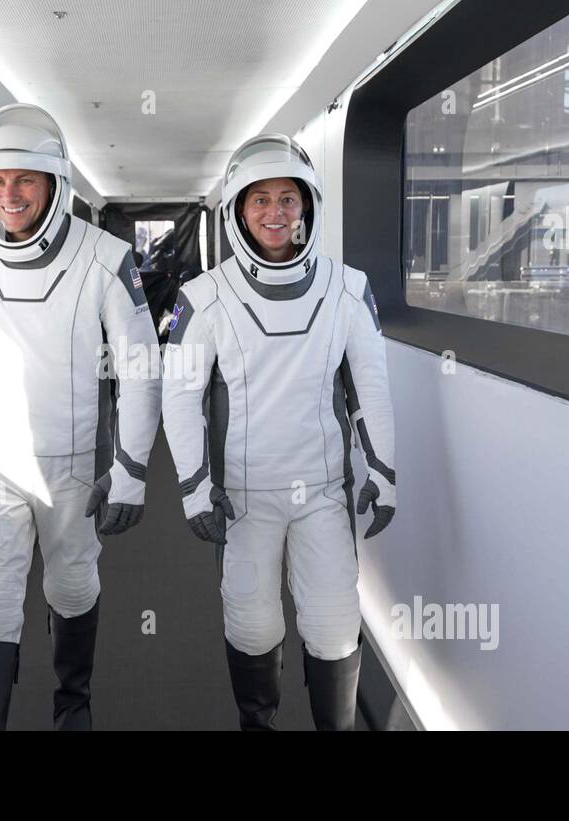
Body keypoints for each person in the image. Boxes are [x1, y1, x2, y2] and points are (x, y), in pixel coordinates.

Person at [0, 104, 160, 730]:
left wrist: (129, 469)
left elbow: (140, 367)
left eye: (24, 179)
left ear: (55, 183)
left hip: (74, 466)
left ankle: (73, 705)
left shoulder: (104, 257)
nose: (8, 194)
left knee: (73, 588)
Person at [160, 133, 397, 730]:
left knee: (334, 627)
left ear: (308, 207)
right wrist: (193, 489)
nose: (274, 213)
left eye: (287, 199)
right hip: (242, 498)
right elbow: (180, 397)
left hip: (322, 493)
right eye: (259, 199)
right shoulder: (204, 296)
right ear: (239, 209)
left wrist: (384, 473)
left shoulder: (350, 288)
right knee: (252, 624)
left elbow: (370, 387)